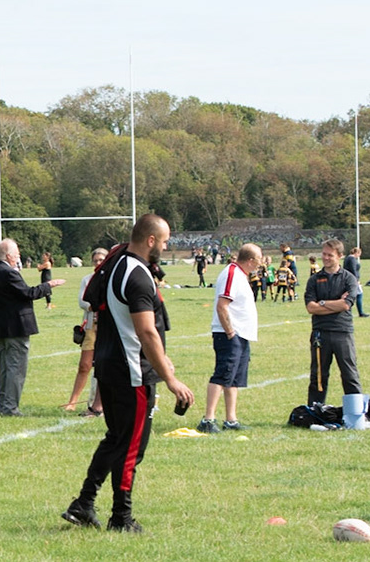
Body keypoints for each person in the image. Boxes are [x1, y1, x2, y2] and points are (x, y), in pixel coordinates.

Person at [61, 214, 194, 534]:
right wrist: (170, 379)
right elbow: (146, 332)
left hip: (109, 366)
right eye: (163, 241)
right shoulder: (137, 275)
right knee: (132, 446)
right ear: (150, 241)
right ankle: (121, 517)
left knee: (115, 439)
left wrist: (162, 359)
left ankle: (83, 503)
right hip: (131, 372)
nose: (165, 246)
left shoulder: (117, 263)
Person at [0, 239, 64, 417]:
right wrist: (49, 285)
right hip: (16, 328)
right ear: (9, 255)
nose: (18, 256)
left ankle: (3, 405)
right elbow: (28, 293)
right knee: (16, 368)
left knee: (5, 368)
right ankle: (10, 408)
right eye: (17, 253)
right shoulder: (8, 273)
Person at [200, 243, 262, 433]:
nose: (260, 264)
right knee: (223, 374)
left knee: (235, 378)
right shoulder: (232, 273)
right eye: (258, 260)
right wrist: (230, 332)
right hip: (230, 334)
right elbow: (222, 304)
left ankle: (231, 419)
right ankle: (208, 419)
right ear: (250, 260)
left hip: (242, 334)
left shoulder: (242, 275)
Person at [303, 240, 363, 407]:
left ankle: (355, 413)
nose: (326, 258)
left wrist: (322, 303)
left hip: (342, 332)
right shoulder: (314, 279)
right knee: (318, 376)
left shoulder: (348, 279)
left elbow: (346, 305)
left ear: (340, 256)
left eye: (330, 255)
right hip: (320, 333)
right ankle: (315, 412)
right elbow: (310, 307)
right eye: (324, 254)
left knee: (349, 374)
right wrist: (333, 304)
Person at [63, 248, 111, 415]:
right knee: (85, 365)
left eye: (101, 259)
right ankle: (73, 401)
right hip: (91, 325)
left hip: (108, 328)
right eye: (96, 260)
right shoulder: (87, 279)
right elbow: (82, 301)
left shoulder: (112, 278)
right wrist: (96, 307)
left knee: (106, 366)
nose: (98, 263)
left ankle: (102, 402)